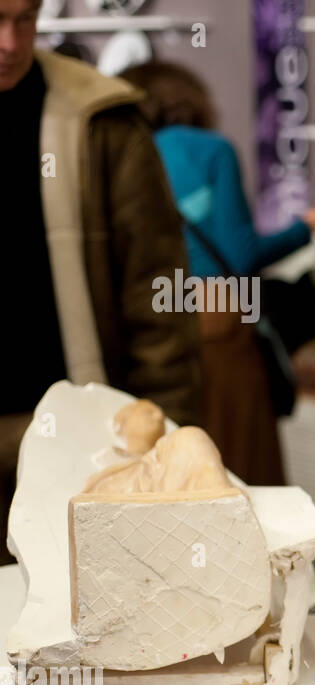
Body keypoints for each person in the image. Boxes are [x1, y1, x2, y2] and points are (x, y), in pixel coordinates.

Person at [0, 0, 200, 561]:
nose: (11, 43)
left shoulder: (100, 120)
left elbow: (158, 291)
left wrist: (166, 439)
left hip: (80, 450)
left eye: (24, 18)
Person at [120, 61, 315, 486]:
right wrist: (309, 225)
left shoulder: (125, 154)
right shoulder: (210, 150)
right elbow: (241, 256)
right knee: (240, 465)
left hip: (145, 323)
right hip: (214, 316)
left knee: (170, 474)